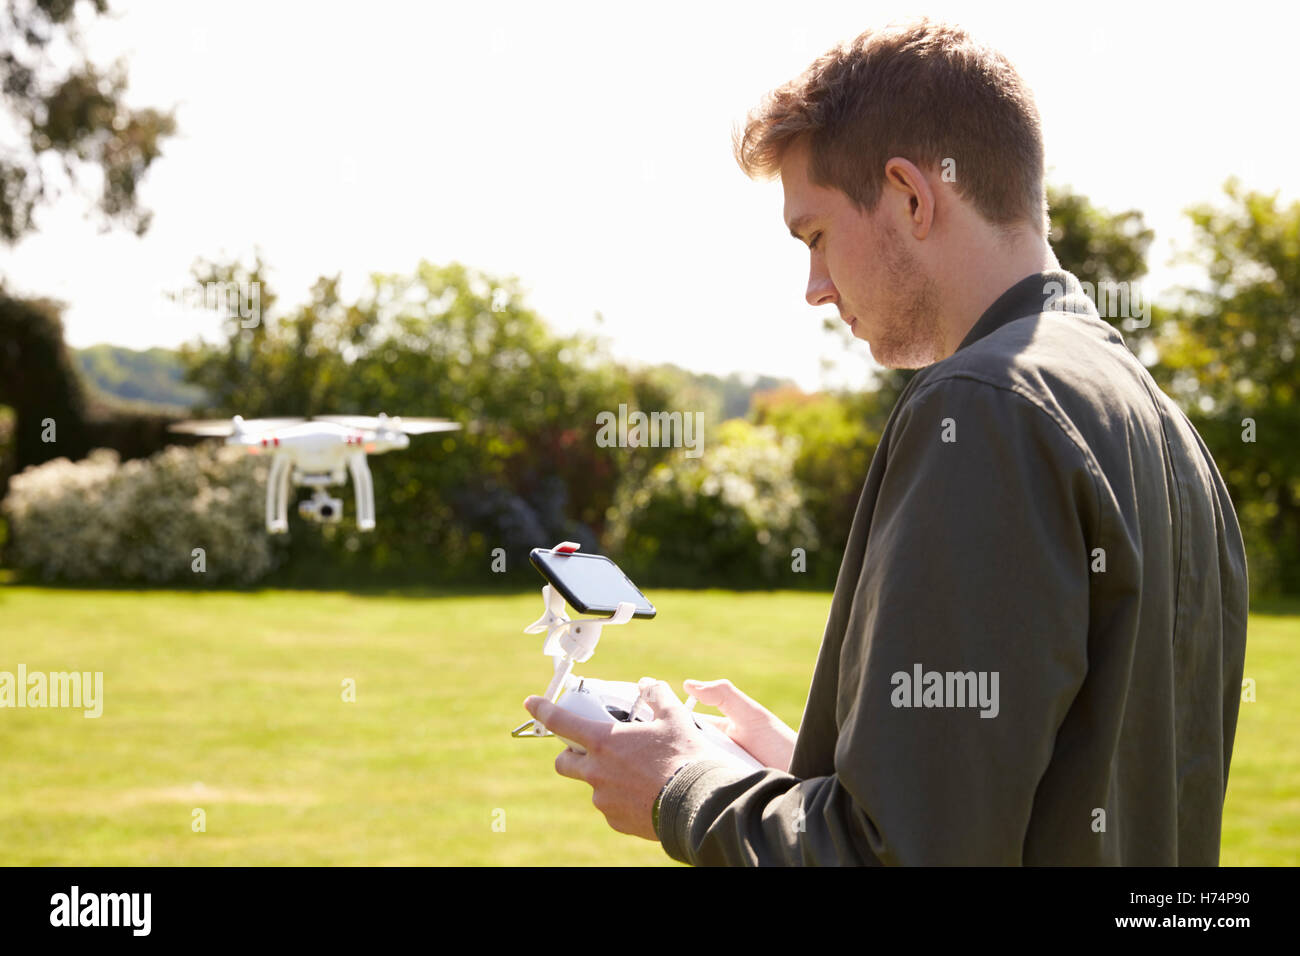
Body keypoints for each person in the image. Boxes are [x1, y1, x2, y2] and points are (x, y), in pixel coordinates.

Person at [524, 17, 1248, 865]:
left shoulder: (984, 406)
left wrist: (684, 787)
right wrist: (811, 776)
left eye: (815, 236)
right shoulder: (1166, 429)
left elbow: (898, 856)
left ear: (910, 195)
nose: (814, 287)